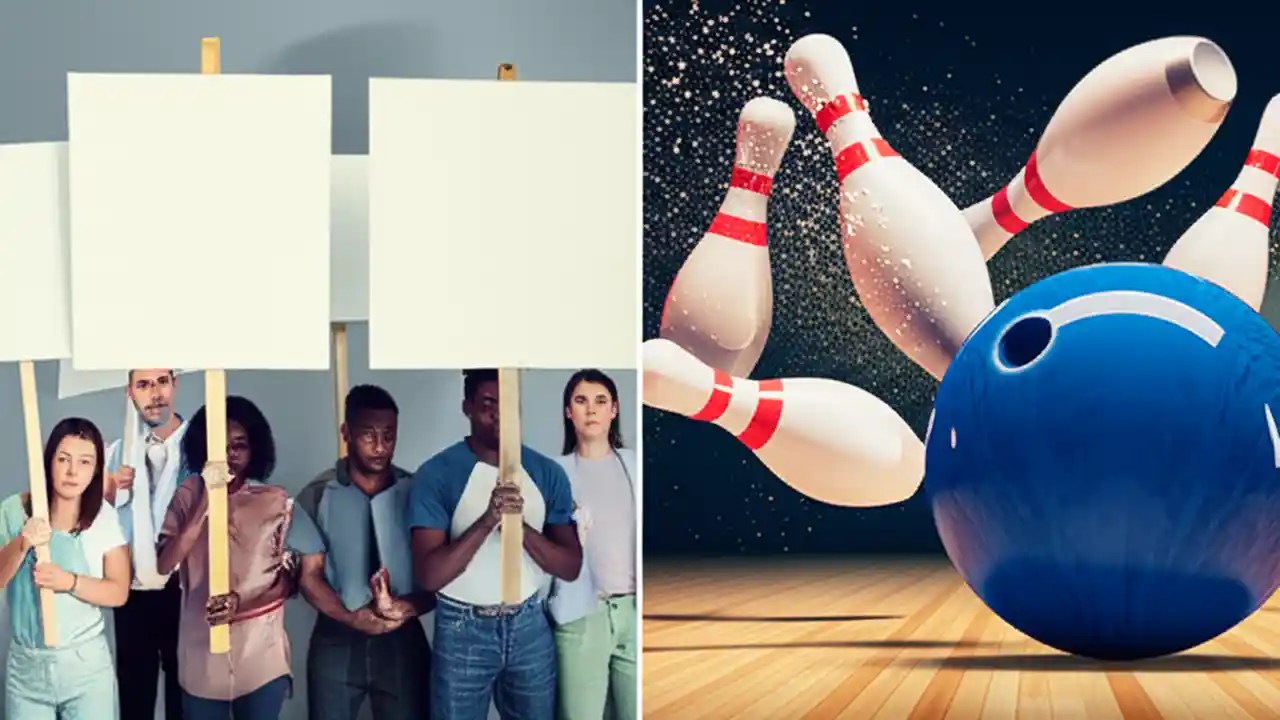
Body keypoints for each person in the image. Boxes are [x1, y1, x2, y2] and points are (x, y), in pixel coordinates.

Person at [409, 368, 583, 720]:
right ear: (466, 407)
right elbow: (429, 576)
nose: (499, 414)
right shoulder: (437, 474)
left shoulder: (546, 472)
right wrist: (488, 519)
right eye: (488, 404)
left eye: (508, 404)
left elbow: (570, 566)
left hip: (529, 625)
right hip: (462, 629)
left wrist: (519, 528)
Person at [156, 396, 317, 720]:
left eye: (239, 445)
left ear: (254, 448)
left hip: (261, 657)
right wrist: (205, 500)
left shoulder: (275, 502)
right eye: (220, 446)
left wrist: (241, 604)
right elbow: (163, 564)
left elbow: (288, 581)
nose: (229, 455)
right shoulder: (187, 495)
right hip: (201, 659)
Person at [291, 384, 433, 720]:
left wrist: (408, 608)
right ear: (346, 433)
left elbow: (438, 572)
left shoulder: (417, 492)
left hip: (403, 640)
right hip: (335, 638)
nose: (381, 446)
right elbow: (309, 577)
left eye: (389, 435)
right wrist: (352, 617)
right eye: (368, 434)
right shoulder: (317, 494)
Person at [0, 418, 131, 717]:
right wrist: (23, 542)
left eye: (85, 462)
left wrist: (69, 581)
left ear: (96, 468)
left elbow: (119, 591)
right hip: (26, 669)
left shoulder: (103, 519)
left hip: (86, 669)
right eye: (64, 459)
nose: (73, 472)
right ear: (48, 462)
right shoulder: (13, 510)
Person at [548, 370, 637, 720]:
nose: (591, 410)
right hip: (582, 615)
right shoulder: (553, 473)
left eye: (601, 401)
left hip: (634, 611)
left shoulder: (635, 465)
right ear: (568, 411)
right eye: (581, 401)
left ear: (614, 409)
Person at [105, 368, 190, 720]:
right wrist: (106, 491)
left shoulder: (200, 447)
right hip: (132, 591)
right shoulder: (114, 454)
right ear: (130, 392)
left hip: (185, 588)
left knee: (184, 695)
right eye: (143, 384)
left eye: (161, 382)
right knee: (134, 696)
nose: (154, 394)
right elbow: (93, 524)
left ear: (175, 384)